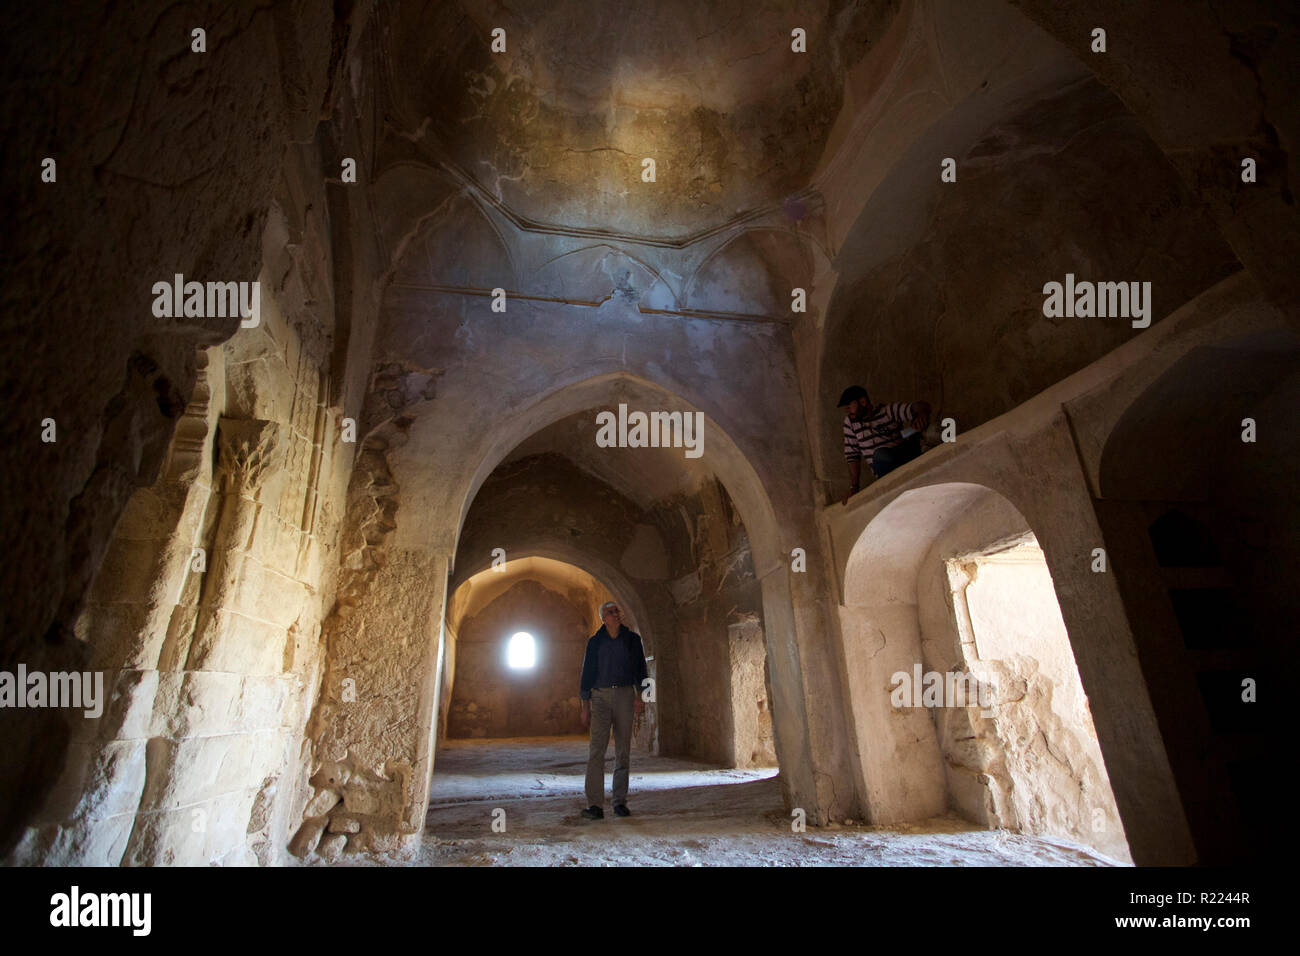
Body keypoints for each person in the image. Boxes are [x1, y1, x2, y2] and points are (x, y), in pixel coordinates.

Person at [578, 601, 648, 819]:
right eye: (611, 612)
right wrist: (585, 706)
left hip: (626, 695)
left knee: (623, 751)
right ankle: (595, 805)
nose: (616, 614)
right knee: (596, 751)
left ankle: (619, 802)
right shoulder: (595, 642)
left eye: (617, 611)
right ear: (603, 618)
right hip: (599, 697)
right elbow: (586, 674)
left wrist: (642, 697)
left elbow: (642, 669)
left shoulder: (632, 640)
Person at [838, 385, 931, 504]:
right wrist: (854, 487)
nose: (847, 411)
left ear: (863, 402)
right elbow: (852, 455)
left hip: (902, 455)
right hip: (884, 466)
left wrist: (922, 415)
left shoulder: (887, 411)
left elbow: (921, 406)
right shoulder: (850, 423)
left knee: (924, 433)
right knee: (880, 455)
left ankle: (922, 450)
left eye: (849, 406)